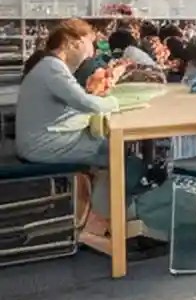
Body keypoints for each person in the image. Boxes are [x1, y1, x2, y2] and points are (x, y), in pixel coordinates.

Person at [15, 19, 145, 234]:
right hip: (42, 145)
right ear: (71, 42)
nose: (92, 52)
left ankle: (99, 213)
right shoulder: (52, 68)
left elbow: (77, 102)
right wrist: (115, 103)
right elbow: (87, 104)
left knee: (108, 148)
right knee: (115, 153)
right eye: (90, 43)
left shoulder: (50, 66)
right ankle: (100, 220)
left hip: (39, 141)